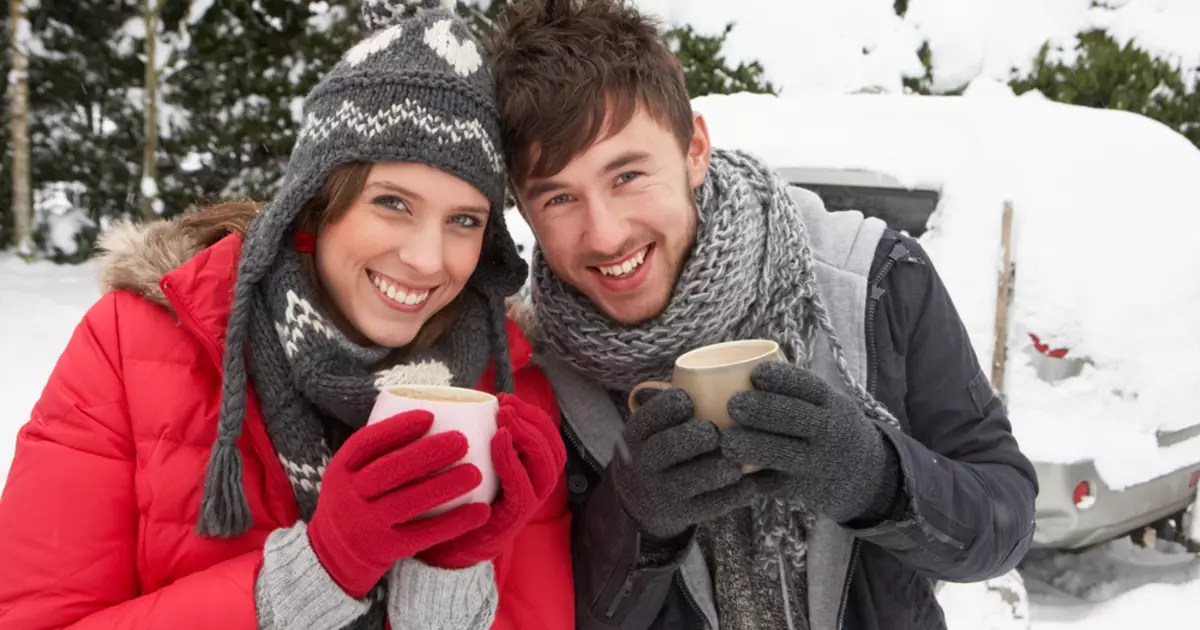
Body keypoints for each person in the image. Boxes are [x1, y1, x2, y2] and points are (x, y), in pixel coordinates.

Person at [0, 2, 573, 629]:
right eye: (391, 203)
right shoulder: (130, 346)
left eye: (464, 220)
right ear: (315, 204)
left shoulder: (508, 390)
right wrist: (318, 571)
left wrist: (448, 579)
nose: (426, 258)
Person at [487, 1, 1039, 629]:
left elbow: (1008, 521)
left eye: (628, 175)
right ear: (524, 213)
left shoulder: (872, 281)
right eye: (559, 197)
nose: (606, 234)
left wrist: (875, 477)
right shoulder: (538, 376)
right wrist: (636, 522)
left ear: (694, 148)